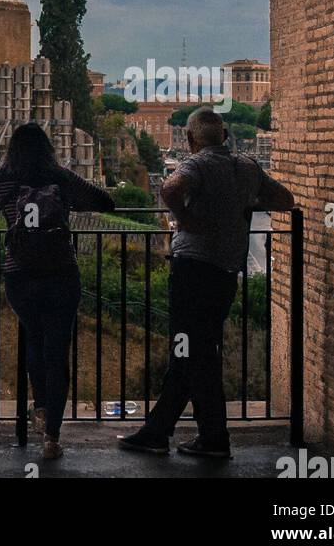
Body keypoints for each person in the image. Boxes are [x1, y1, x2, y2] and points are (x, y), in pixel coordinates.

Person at [119, 106, 295, 459]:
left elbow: (170, 189)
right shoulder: (247, 167)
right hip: (226, 271)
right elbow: (285, 200)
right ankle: (180, 432)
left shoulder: (197, 164)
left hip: (193, 270)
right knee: (200, 351)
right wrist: (242, 203)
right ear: (226, 137)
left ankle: (198, 436)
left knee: (188, 349)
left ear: (190, 139)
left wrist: (184, 218)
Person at [0, 121, 115, 460]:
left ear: (12, 151)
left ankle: (39, 408)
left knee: (33, 339)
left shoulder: (5, 180)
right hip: (61, 273)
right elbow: (106, 202)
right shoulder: (61, 178)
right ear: (48, 150)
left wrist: (2, 205)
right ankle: (53, 437)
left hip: (21, 275)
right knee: (58, 352)